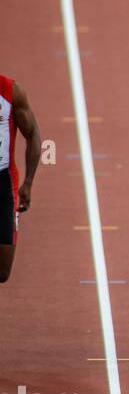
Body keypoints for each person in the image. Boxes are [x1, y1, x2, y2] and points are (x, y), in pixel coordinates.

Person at [0, 74, 41, 283]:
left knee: (2, 272)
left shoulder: (10, 91)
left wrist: (28, 182)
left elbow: (32, 134)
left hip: (4, 182)